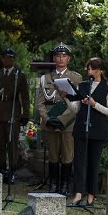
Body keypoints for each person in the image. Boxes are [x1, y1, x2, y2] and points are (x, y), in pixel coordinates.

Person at [65, 57, 108, 207]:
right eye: (88, 69)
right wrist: (67, 98)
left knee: (94, 162)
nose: (90, 72)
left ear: (101, 70)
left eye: (93, 69)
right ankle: (79, 193)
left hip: (98, 130)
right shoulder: (82, 86)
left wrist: (94, 104)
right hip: (81, 128)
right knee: (79, 162)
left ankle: (91, 194)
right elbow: (75, 108)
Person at [34, 43, 81, 195]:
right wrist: (47, 119)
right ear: (54, 58)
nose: (61, 59)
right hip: (50, 123)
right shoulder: (45, 78)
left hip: (68, 123)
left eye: (64, 56)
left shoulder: (76, 77)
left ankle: (65, 185)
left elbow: (77, 102)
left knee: (67, 155)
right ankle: (53, 184)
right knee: (53, 155)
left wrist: (61, 119)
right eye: (58, 56)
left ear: (69, 59)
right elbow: (40, 103)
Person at [0, 48, 29, 183]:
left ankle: (12, 170)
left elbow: (25, 96)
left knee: (12, 143)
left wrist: (26, 114)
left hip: (13, 112)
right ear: (2, 59)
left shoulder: (19, 75)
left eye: (10, 58)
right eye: (5, 57)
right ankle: (2, 169)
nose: (7, 60)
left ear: (13, 60)